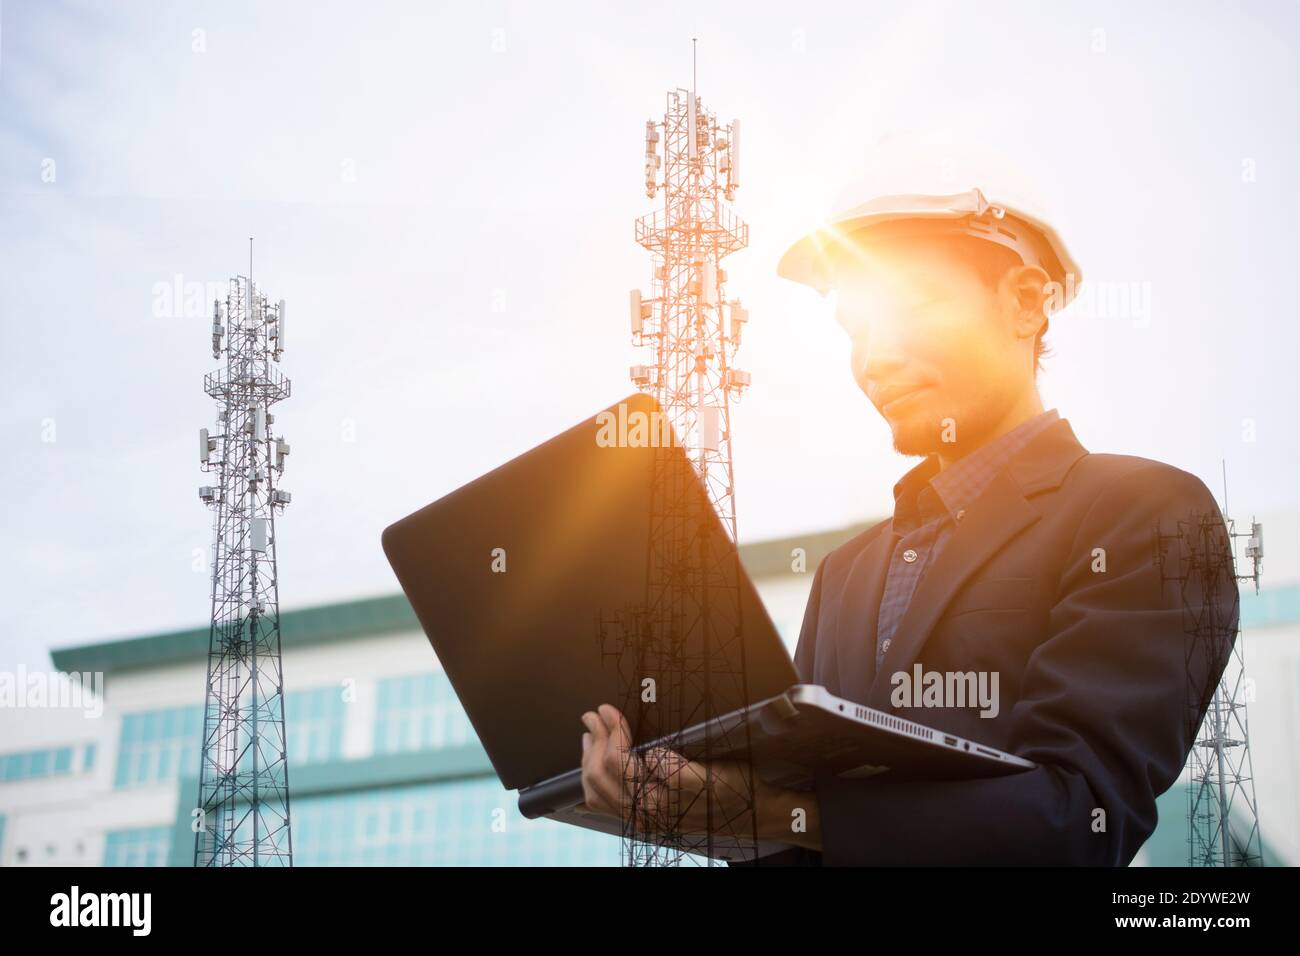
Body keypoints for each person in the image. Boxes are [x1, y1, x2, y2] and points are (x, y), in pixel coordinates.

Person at [577, 132, 1238, 865]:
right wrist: (697, 808)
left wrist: (782, 815)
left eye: (906, 309)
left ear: (1024, 303)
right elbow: (803, 834)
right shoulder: (845, 577)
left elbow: (1075, 821)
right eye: (854, 329)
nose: (873, 357)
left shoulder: (1149, 515)